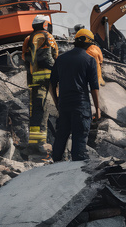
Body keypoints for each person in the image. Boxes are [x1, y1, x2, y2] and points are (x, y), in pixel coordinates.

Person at [49, 29, 100, 162]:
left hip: (64, 104)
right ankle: (77, 170)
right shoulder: (89, 60)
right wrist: (98, 108)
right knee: (80, 137)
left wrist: (57, 102)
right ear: (88, 42)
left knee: (61, 136)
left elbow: (51, 84)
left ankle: (55, 165)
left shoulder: (61, 59)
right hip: (80, 105)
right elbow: (94, 87)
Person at [22, 14, 58, 157]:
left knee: (35, 111)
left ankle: (34, 143)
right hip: (47, 80)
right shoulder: (47, 36)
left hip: (34, 81)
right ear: (45, 24)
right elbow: (51, 57)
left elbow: (26, 60)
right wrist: (57, 73)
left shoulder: (27, 39)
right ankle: (42, 145)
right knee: (44, 111)